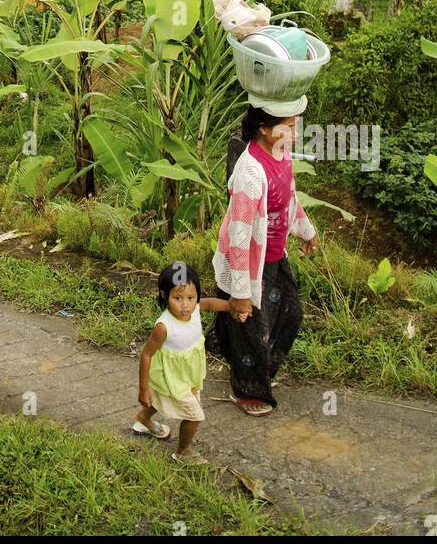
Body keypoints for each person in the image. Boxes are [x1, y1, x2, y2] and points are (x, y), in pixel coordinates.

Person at [206, 104, 318, 416]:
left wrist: (306, 232)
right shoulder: (249, 173)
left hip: (274, 256)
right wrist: (241, 293)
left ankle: (250, 364)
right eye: (288, 127)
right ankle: (245, 390)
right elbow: (240, 239)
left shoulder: (282, 156)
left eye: (295, 127)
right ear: (264, 130)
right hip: (248, 264)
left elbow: (290, 200)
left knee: (291, 314)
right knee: (251, 325)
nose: (295, 134)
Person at [133, 262, 235, 462]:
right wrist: (143, 389)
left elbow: (209, 304)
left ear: (197, 294)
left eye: (191, 297)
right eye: (177, 298)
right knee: (194, 415)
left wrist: (231, 306)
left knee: (163, 398)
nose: (185, 305)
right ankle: (182, 452)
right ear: (165, 296)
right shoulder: (164, 327)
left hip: (187, 374)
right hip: (169, 375)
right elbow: (146, 355)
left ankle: (143, 419)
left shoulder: (195, 308)